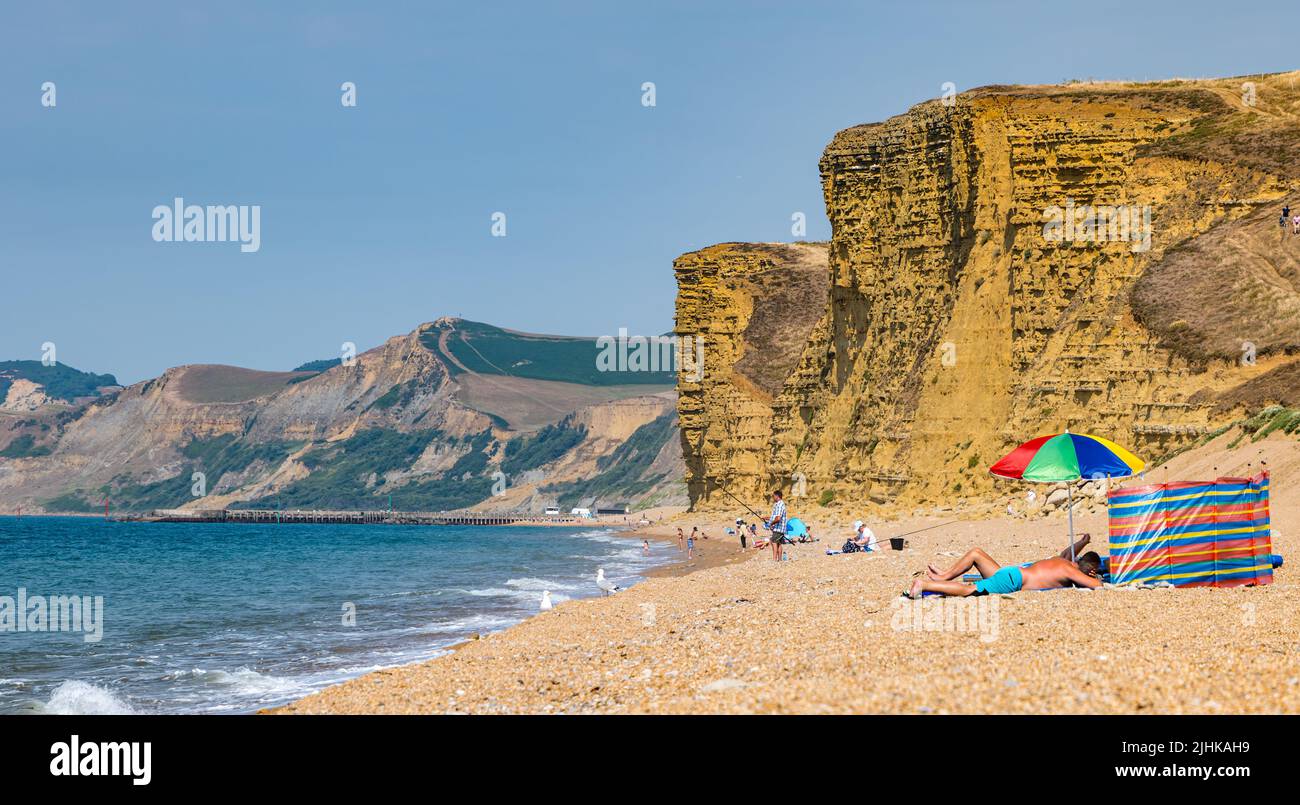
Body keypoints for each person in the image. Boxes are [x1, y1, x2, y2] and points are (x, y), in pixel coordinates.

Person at [909, 534, 1102, 598]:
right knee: (970, 590)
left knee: (976, 553)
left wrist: (1084, 541)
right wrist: (1097, 578)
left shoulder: (1063, 561)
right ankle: (925, 585)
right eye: (1093, 571)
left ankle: (944, 575)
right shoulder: (1070, 570)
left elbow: (1069, 550)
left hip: (1010, 573)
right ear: (1091, 569)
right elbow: (1097, 586)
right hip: (1013, 581)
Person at [765, 490, 788, 562]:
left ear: (777, 496)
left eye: (773, 496)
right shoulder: (779, 504)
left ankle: (774, 559)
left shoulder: (780, 505)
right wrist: (767, 518)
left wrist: (771, 524)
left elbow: (778, 518)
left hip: (779, 528)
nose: (773, 498)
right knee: (779, 543)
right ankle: (780, 559)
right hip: (780, 528)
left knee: (773, 541)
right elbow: (775, 516)